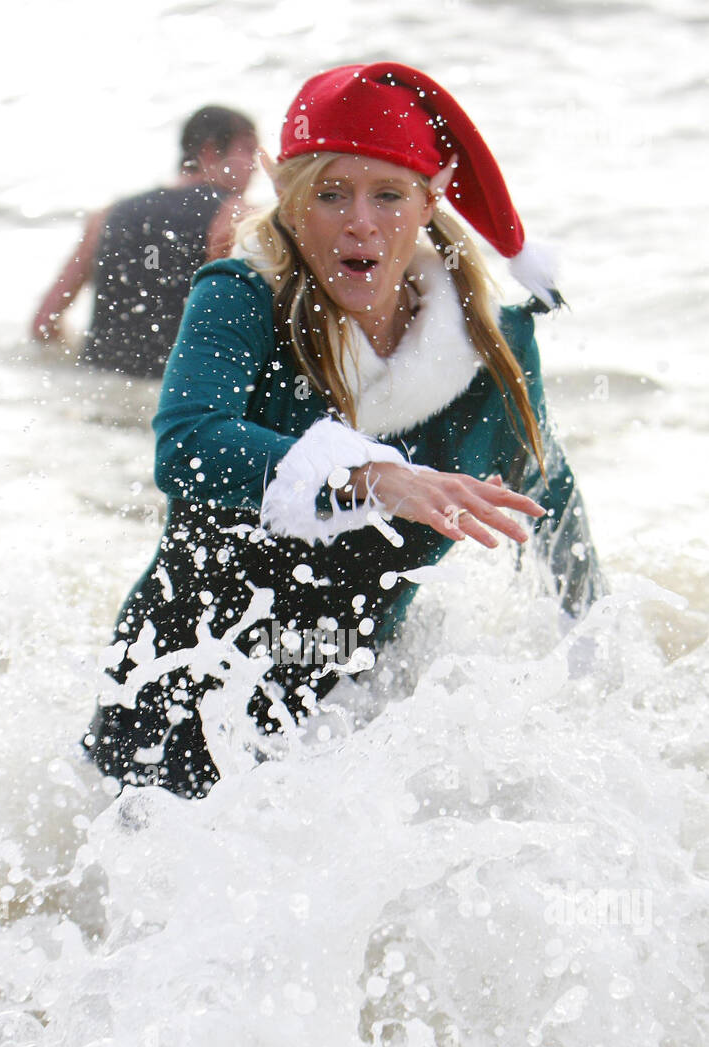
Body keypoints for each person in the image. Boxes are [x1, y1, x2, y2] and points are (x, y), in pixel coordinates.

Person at [82, 62, 604, 798]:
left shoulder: (490, 348)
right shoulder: (241, 298)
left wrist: (597, 664)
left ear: (430, 199)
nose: (360, 221)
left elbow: (551, 493)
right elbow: (187, 447)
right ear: (292, 205)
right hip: (182, 692)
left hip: (348, 710)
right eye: (331, 194)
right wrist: (372, 474)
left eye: (387, 194)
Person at [30, 105, 258, 378]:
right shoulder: (234, 216)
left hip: (95, 388)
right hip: (166, 397)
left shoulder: (107, 215)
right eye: (247, 151)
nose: (255, 166)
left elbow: (44, 323)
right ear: (209, 151)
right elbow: (222, 321)